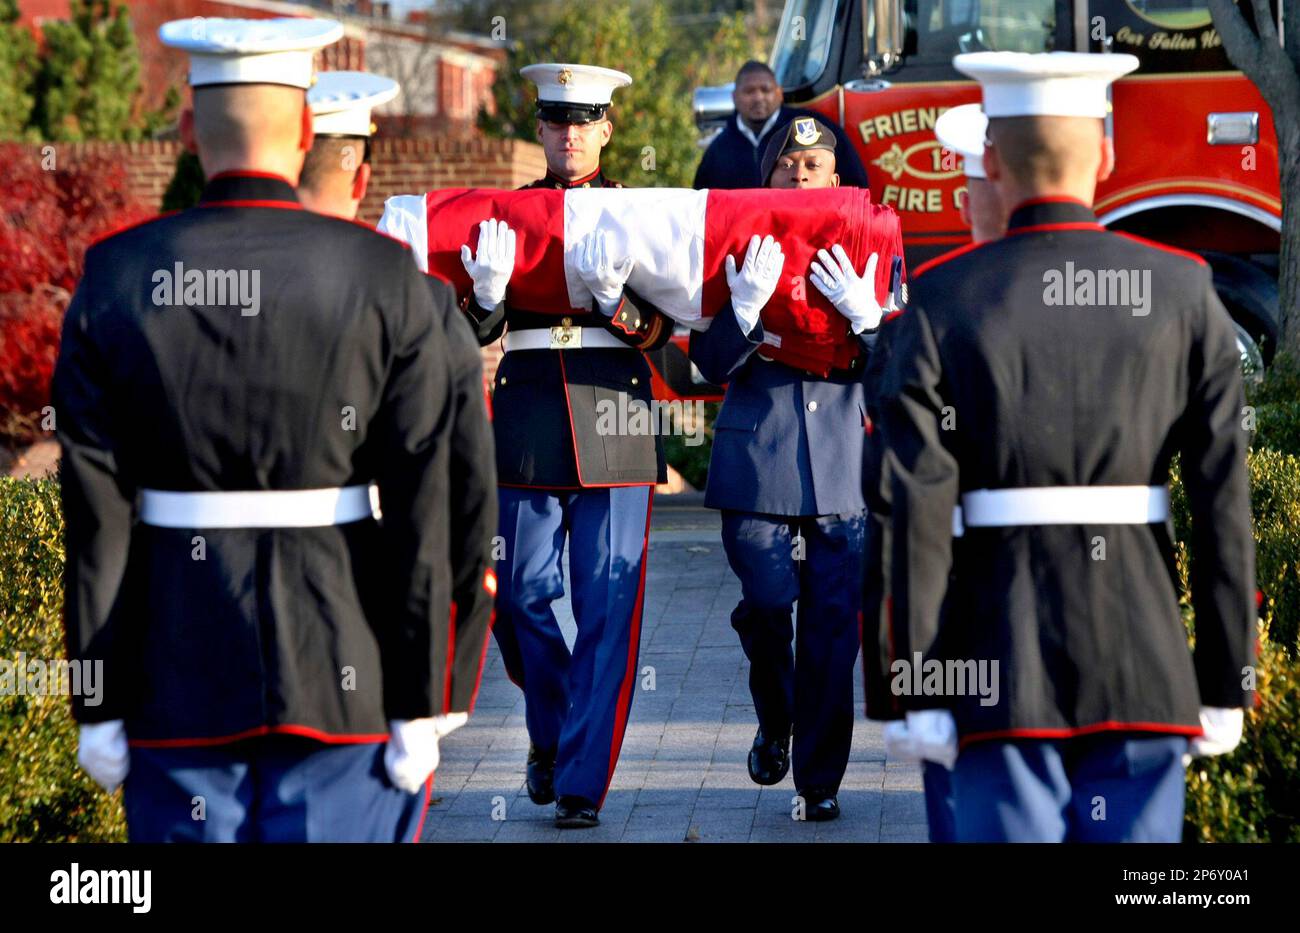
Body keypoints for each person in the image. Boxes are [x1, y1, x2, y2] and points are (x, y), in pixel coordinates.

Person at [56, 17, 485, 843]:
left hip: (173, 681)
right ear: (302, 130)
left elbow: (93, 514)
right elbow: (428, 495)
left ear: (187, 131)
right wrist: (423, 694)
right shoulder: (385, 276)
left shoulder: (114, 276)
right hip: (345, 678)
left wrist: (97, 698)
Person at [876, 51, 1256, 843]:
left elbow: (912, 502)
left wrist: (913, 682)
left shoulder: (942, 300)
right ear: (1108, 155)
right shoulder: (1185, 289)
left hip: (997, 667)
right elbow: (1224, 500)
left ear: (990, 157)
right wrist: (1227, 680)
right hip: (1142, 663)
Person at [379, 62, 673, 829]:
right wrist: (483, 296)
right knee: (518, 596)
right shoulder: (506, 215)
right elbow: (477, 330)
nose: (569, 134)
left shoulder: (637, 211)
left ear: (608, 129)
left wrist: (621, 305)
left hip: (614, 414)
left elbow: (669, 327)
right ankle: (555, 731)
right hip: (530, 415)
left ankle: (579, 780)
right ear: (541, 130)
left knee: (608, 606)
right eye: (556, 121)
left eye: (585, 121)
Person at [688, 116, 885, 821]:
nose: (800, 176)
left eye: (813, 164)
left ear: (837, 179)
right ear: (765, 179)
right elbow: (695, 366)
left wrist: (869, 320)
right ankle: (776, 718)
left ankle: (820, 778)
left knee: (833, 625)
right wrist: (741, 310)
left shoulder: (870, 242)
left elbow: (900, 365)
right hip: (757, 454)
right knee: (770, 601)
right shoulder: (736, 245)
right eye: (786, 165)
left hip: (840, 460)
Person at [300, 70, 498, 695]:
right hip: (357, 580)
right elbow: (456, 480)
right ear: (361, 178)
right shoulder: (408, 293)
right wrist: (445, 687)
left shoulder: (167, 273)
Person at [862, 102, 1007, 843]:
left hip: (966, 612)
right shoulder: (1152, 290)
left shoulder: (932, 307)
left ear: (963, 196)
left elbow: (894, 497)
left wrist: (902, 679)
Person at [693, 60, 869, 190]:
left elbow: (855, 190)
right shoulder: (718, 150)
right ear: (734, 97)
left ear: (779, 93)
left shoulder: (814, 128)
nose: (758, 97)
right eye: (749, 91)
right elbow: (704, 211)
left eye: (765, 90)